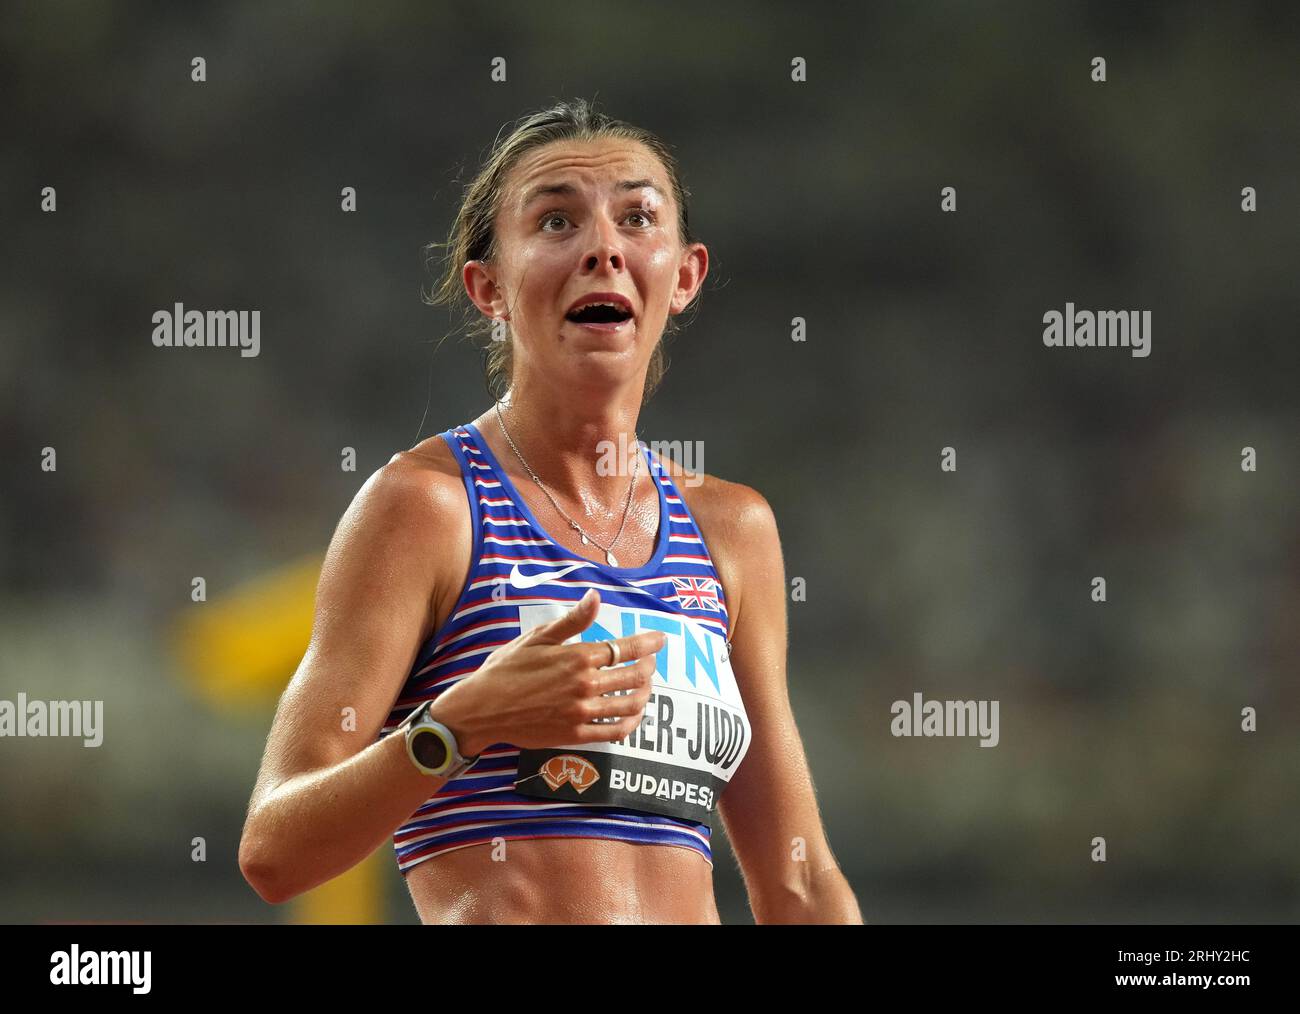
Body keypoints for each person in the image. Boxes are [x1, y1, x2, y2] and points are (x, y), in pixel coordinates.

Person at [238, 98, 862, 924]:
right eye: (557, 221)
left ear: (683, 276)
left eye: (638, 217)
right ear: (488, 286)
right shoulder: (426, 507)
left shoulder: (732, 530)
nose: (603, 246)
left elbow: (797, 882)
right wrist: (464, 721)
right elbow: (275, 851)